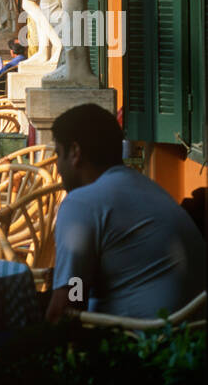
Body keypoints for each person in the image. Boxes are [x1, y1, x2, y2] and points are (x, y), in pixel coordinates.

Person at [46, 104, 205, 322]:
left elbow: (71, 301)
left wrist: (70, 279)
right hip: (187, 340)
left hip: (137, 344)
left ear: (75, 152)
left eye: (58, 154)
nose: (57, 167)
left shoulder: (81, 203)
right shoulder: (147, 187)